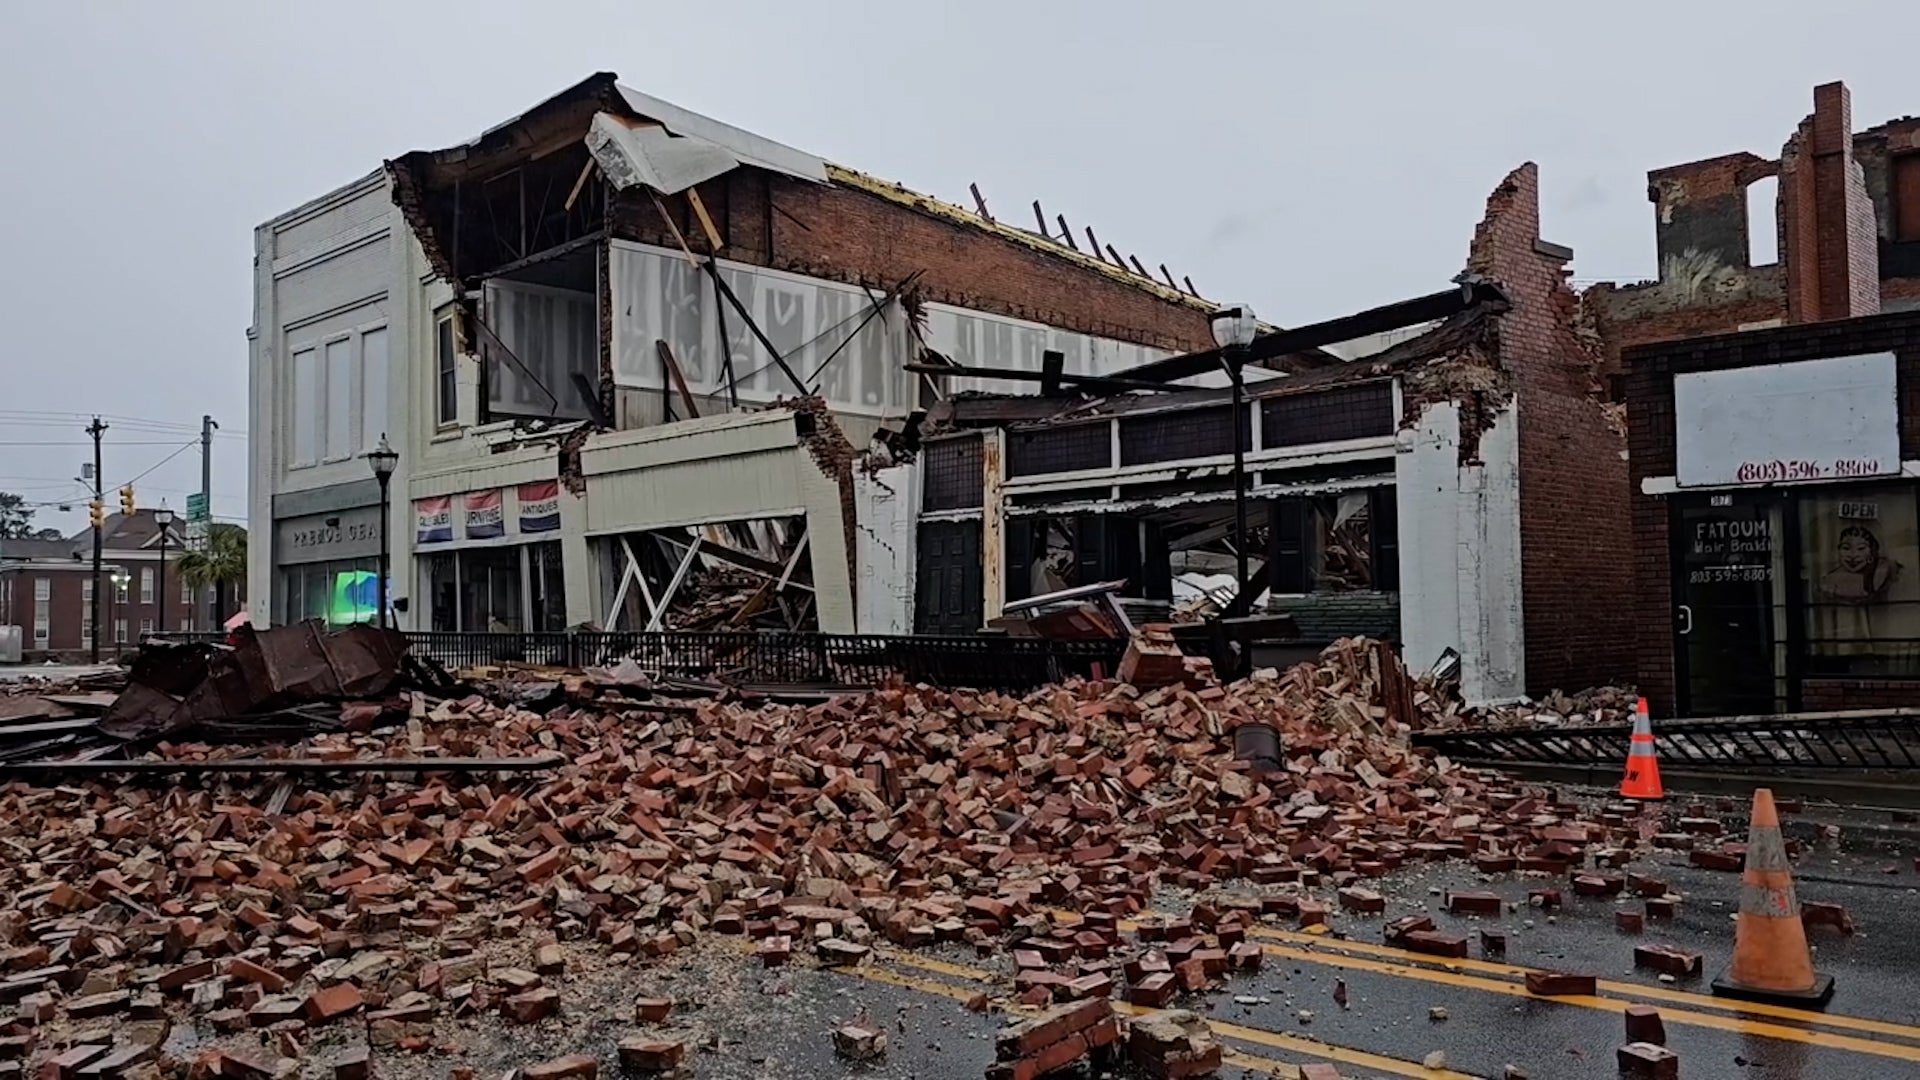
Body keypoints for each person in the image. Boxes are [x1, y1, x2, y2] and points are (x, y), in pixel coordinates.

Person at [1817, 525, 1901, 604]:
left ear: (1872, 551)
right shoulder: (1830, 581)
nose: (1853, 555)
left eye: (1861, 548)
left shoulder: (1886, 570)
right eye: (1846, 548)